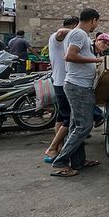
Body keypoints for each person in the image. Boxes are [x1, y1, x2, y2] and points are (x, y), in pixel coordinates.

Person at [51, 8, 103, 178]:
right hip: (78, 86)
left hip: (78, 85)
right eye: (97, 22)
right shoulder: (79, 34)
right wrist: (97, 60)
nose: (97, 25)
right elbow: (70, 56)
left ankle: (79, 161)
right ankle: (60, 162)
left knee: (76, 125)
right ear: (93, 20)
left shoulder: (78, 34)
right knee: (84, 126)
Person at [43, 17, 79, 163]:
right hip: (63, 83)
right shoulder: (57, 37)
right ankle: (52, 148)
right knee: (69, 118)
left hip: (59, 81)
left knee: (60, 117)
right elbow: (60, 32)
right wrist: (78, 32)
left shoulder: (61, 42)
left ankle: (58, 148)